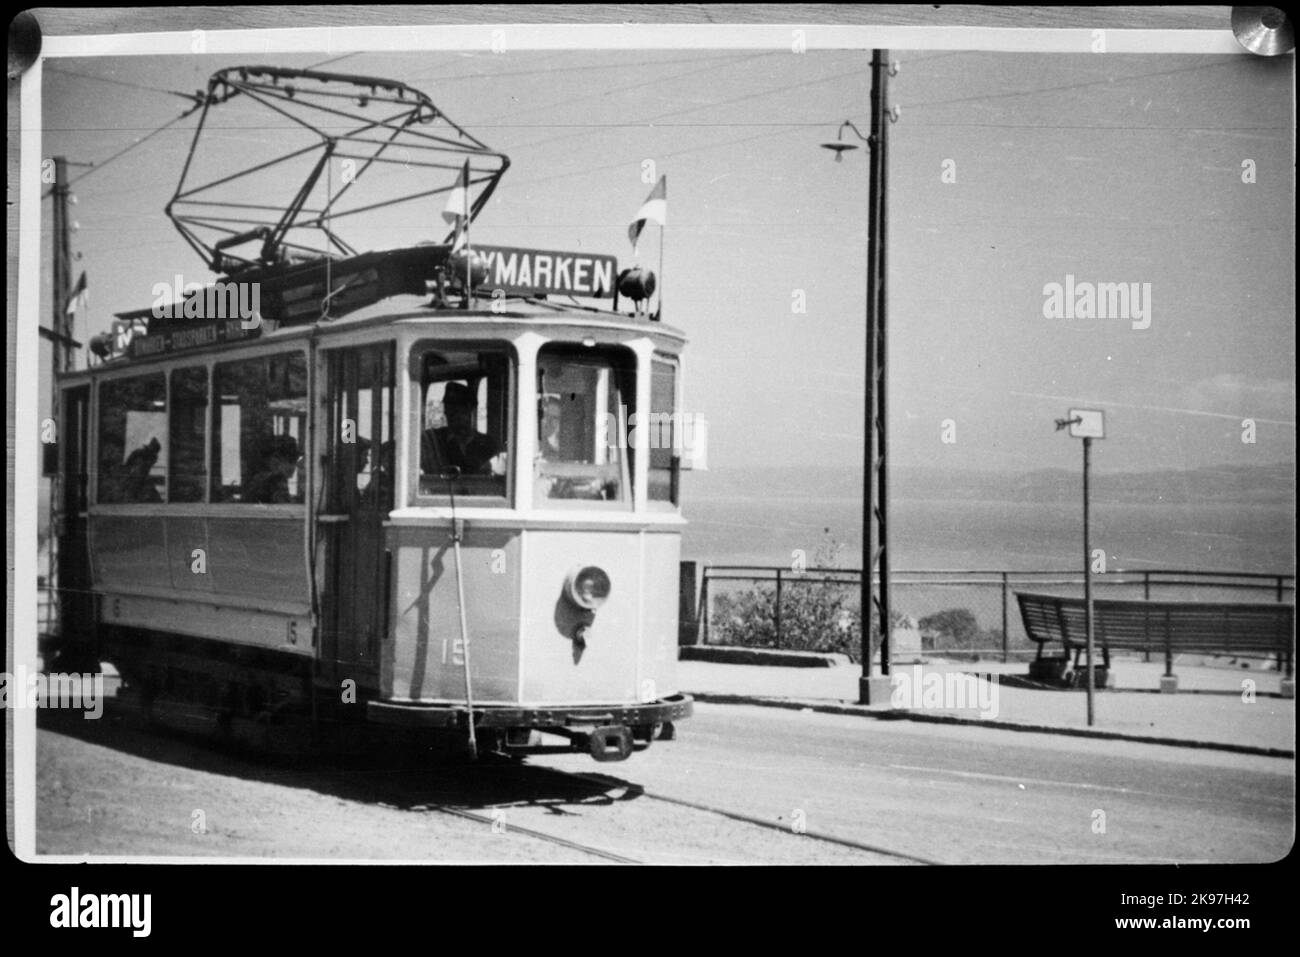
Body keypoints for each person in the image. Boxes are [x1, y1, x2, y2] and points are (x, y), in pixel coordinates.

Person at [422, 381, 503, 476]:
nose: (452, 414)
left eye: (459, 409)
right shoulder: (432, 440)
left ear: (470, 410)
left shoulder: (487, 444)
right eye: (449, 409)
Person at [245, 433, 300, 503]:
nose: (294, 466)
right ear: (274, 460)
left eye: (295, 460)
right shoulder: (277, 481)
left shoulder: (258, 480)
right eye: (290, 460)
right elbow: (285, 509)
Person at [121, 437, 162, 503]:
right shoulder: (138, 453)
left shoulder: (152, 457)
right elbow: (128, 465)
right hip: (135, 480)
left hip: (141, 479)